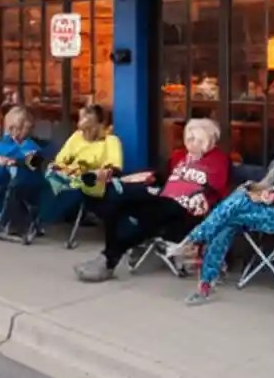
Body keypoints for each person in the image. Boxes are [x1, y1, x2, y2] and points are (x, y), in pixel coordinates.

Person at [177, 123, 274, 305]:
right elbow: (264, 186)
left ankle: (191, 242)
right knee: (230, 216)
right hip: (265, 212)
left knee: (236, 203)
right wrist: (253, 189)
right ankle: (205, 284)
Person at [73, 118, 231, 282]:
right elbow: (158, 177)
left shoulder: (219, 160)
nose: (192, 144)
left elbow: (216, 190)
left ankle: (108, 260)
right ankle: (108, 258)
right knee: (117, 200)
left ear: (210, 140)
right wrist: (143, 179)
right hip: (163, 201)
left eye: (197, 140)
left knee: (141, 215)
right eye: (189, 139)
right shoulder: (179, 156)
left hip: (187, 212)